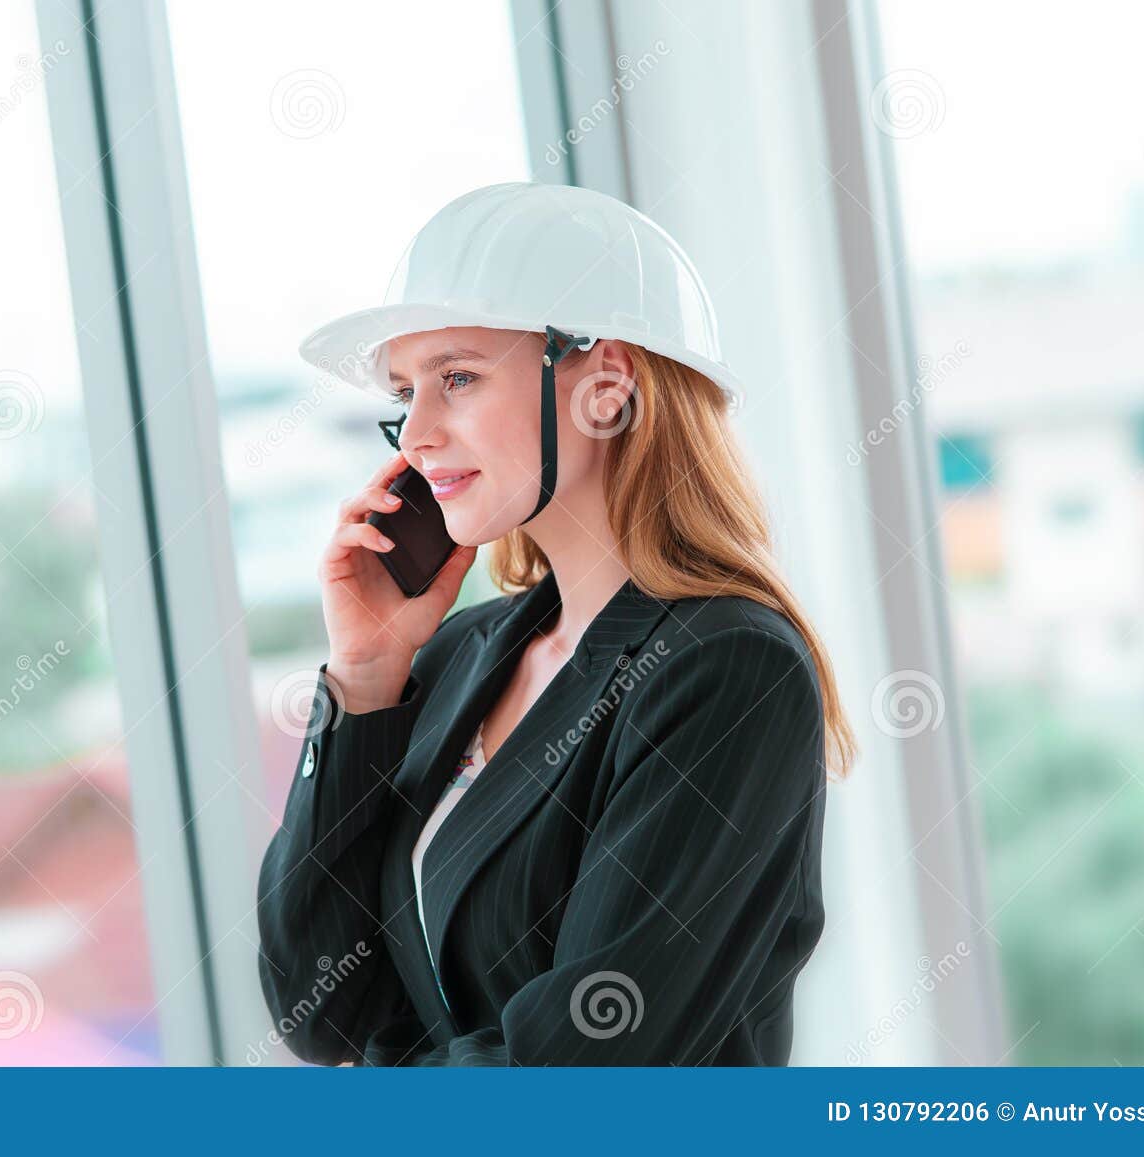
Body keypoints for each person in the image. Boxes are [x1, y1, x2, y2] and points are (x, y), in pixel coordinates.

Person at [256, 181, 857, 1066]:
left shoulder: (727, 668)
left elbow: (583, 1067)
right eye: (405, 391)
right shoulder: (459, 656)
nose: (413, 432)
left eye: (456, 377)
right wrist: (365, 676)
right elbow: (323, 1011)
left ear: (605, 387)